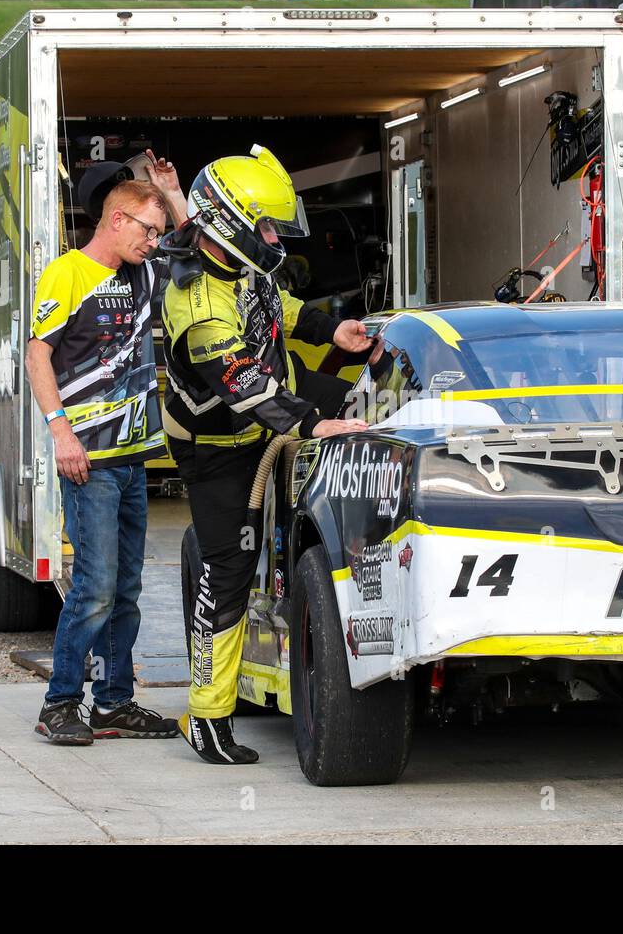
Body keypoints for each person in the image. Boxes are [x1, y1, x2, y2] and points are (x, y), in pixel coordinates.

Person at [160, 145, 371, 764]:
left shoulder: (238, 263)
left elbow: (276, 310)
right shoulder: (197, 305)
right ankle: (207, 717)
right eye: (268, 227)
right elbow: (244, 387)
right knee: (228, 570)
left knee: (371, 400)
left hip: (266, 406)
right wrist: (313, 424)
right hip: (218, 446)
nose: (275, 237)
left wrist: (331, 330)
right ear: (229, 222)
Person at [26, 151, 189, 746]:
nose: (155, 241)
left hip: (132, 459)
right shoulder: (68, 272)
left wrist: (170, 192)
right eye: (148, 229)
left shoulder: (143, 274)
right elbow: (37, 353)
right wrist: (60, 431)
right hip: (87, 459)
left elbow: (197, 253)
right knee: (94, 585)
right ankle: (60, 702)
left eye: (158, 232)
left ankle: (115, 703)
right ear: (116, 220)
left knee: (126, 587)